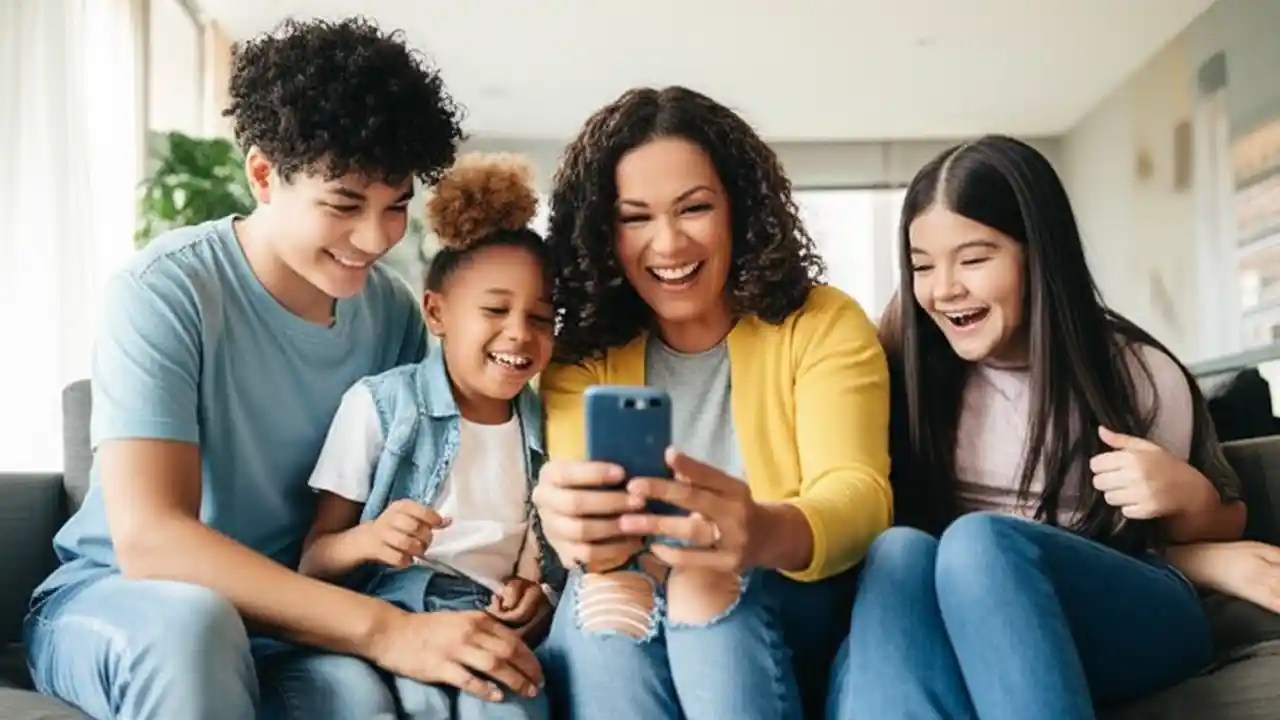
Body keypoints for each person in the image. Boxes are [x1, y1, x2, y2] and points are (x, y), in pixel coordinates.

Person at [23, 18, 541, 720]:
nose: (375, 238)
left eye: (395, 208)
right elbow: (150, 540)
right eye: (343, 205)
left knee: (356, 698)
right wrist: (390, 632)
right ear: (264, 175)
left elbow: (453, 464)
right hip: (123, 601)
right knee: (192, 626)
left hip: (297, 621)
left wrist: (529, 572)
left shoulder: (390, 313)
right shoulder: (166, 291)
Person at [826, 134, 1247, 720]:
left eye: (974, 259)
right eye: (923, 266)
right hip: (953, 615)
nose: (944, 288)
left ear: (1039, 253)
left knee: (979, 541)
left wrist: (1180, 489)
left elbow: (1225, 520)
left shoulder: (1135, 372)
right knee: (897, 552)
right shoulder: (904, 360)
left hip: (1120, 608)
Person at [531, 86, 893, 720]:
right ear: (602, 232)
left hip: (785, 604)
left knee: (702, 581)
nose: (668, 245)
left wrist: (760, 531)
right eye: (635, 217)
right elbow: (601, 547)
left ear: (738, 210)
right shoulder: (580, 356)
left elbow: (860, 495)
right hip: (634, 598)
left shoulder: (822, 323)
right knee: (607, 600)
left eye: (693, 208)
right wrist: (571, 526)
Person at [298, 152, 563, 719]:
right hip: (391, 611)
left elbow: (544, 552)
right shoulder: (381, 406)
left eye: (542, 318)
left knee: (512, 708)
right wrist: (370, 539)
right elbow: (314, 562)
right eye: (495, 309)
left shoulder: (549, 427)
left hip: (490, 620)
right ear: (436, 313)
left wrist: (535, 591)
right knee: (412, 706)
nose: (520, 333)